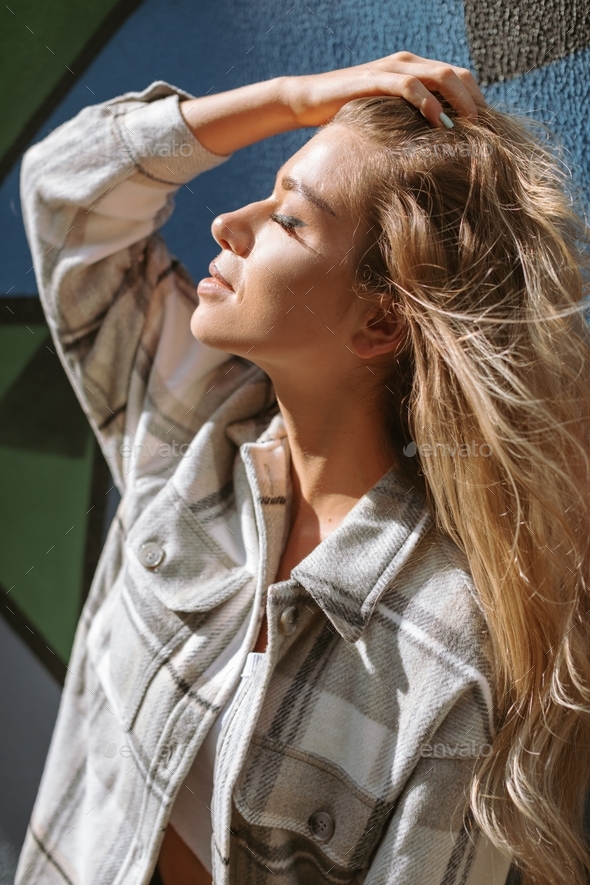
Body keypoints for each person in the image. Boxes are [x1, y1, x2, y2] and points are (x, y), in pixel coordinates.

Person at [16, 50, 590, 885]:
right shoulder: (192, 426)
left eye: (290, 219)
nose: (230, 225)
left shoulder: (445, 653)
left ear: (380, 324)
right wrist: (293, 98)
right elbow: (63, 192)